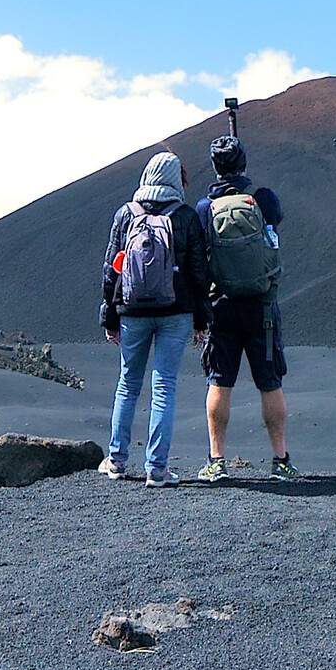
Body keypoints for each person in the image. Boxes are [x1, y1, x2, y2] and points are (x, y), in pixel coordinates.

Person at [98, 150, 211, 486]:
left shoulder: (126, 214)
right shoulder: (185, 217)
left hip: (132, 311)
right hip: (176, 312)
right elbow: (199, 273)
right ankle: (157, 469)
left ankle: (116, 461)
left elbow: (111, 270)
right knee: (164, 386)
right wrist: (201, 319)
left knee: (127, 383)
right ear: (176, 180)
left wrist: (109, 317)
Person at [193, 134, 296, 481]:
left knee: (219, 381)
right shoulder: (263, 199)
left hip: (221, 306)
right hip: (261, 306)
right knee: (270, 381)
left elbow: (200, 255)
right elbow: (275, 223)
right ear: (243, 163)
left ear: (215, 166)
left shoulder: (204, 208)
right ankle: (280, 460)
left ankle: (216, 461)